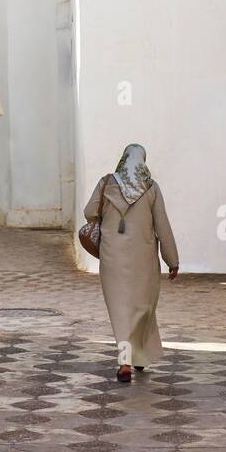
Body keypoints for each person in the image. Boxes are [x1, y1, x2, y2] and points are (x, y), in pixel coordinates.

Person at [83, 143, 179, 382]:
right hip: (143, 257)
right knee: (141, 307)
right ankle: (134, 358)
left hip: (112, 255)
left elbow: (89, 211)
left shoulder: (106, 182)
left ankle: (127, 359)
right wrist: (172, 260)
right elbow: (162, 226)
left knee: (120, 309)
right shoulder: (152, 188)